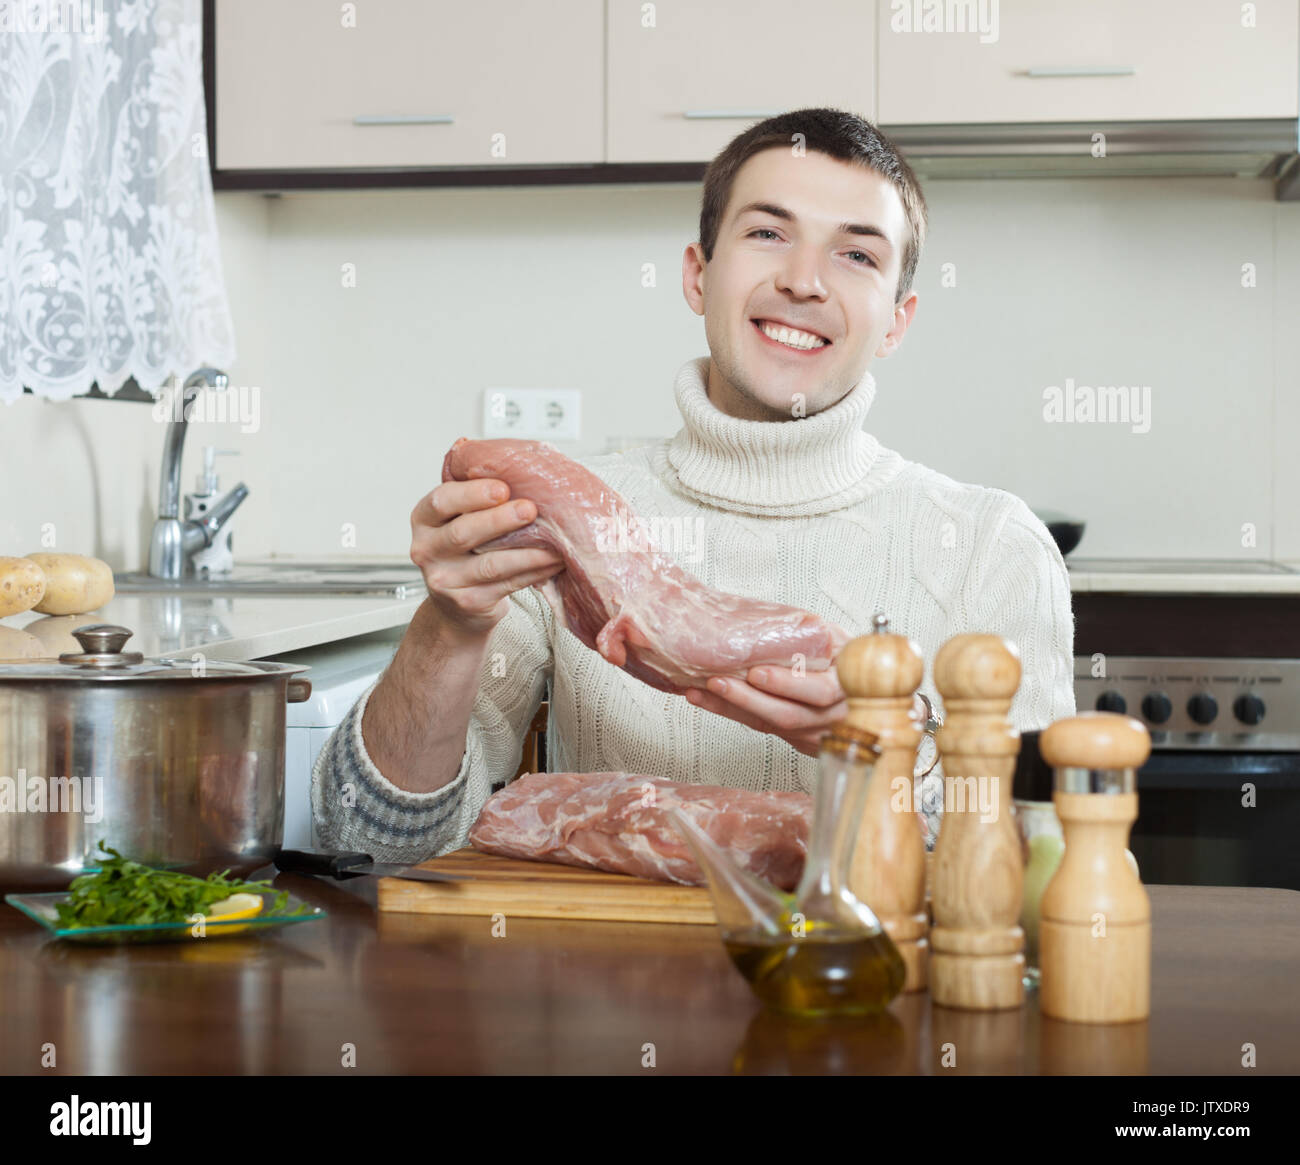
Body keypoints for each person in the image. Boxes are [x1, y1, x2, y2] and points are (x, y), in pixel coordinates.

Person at [312, 107, 1076, 863]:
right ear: (697, 274)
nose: (804, 280)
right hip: (594, 979)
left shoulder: (993, 549)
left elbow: (1046, 861)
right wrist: (446, 626)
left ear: (897, 322)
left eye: (857, 256)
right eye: (768, 232)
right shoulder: (558, 530)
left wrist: (896, 752)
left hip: (864, 982)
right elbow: (368, 843)